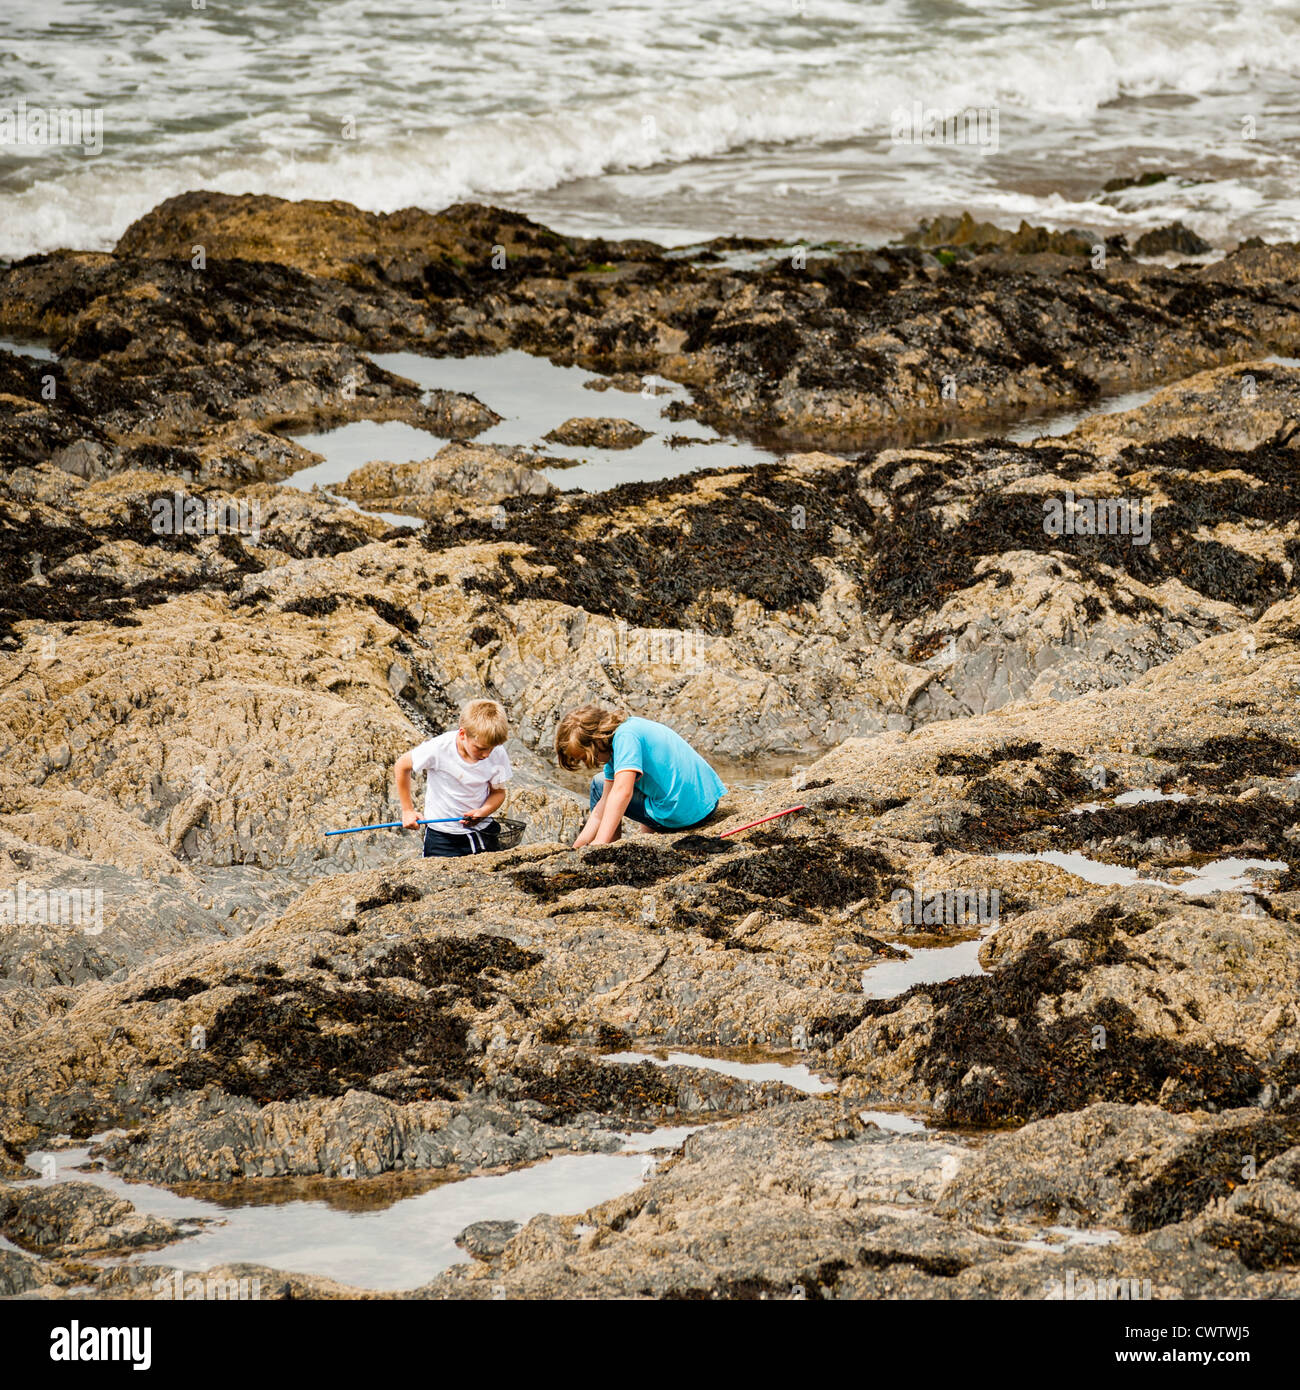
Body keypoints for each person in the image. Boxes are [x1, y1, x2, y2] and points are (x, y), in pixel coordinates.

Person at [555, 704, 726, 847]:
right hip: (705, 805)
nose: (590, 763)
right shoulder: (630, 728)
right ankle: (626, 839)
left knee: (600, 785)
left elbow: (622, 793)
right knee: (613, 782)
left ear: (597, 739)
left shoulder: (625, 738)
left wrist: (599, 842)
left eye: (587, 757)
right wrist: (578, 847)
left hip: (683, 813)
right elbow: (603, 806)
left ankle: (609, 847)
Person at [394, 699, 512, 857]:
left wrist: (483, 811)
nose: (487, 754)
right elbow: (402, 765)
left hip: (483, 831)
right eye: (480, 748)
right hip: (443, 835)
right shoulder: (438, 749)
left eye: (492, 748)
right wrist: (408, 810)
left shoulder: (497, 753)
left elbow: (498, 793)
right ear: (463, 734)